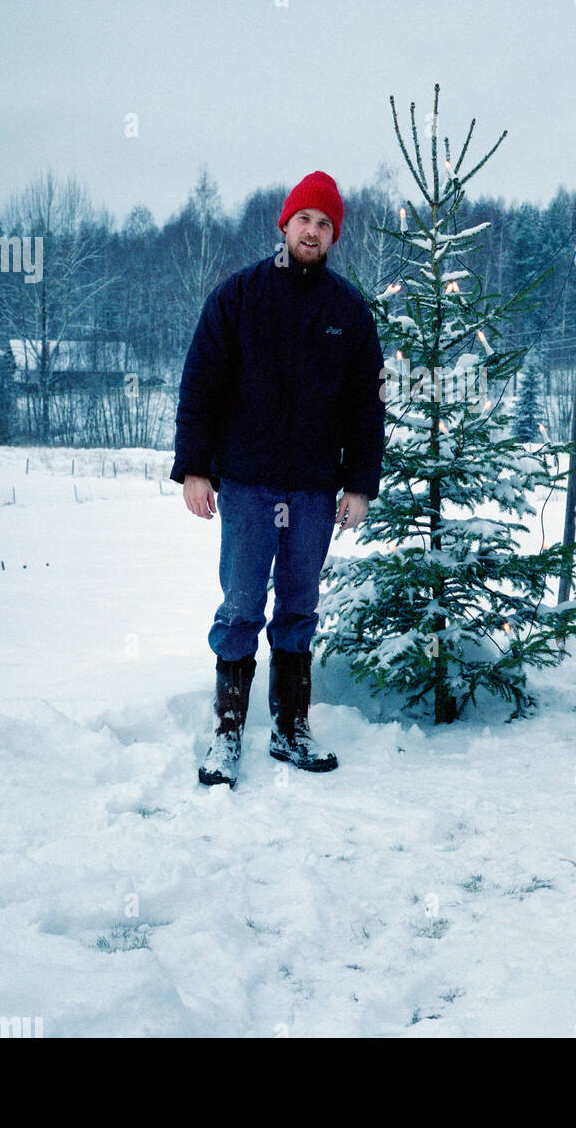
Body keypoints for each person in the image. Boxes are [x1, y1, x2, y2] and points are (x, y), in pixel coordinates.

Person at [170, 170, 385, 786]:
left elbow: (366, 407)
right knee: (241, 607)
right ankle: (227, 734)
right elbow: (201, 385)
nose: (312, 231)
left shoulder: (348, 311)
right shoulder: (239, 297)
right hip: (248, 484)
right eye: (304, 220)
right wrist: (194, 468)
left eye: (325, 223)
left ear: (334, 235)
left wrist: (359, 484)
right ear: (285, 223)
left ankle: (291, 729)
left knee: (298, 608)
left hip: (314, 490)